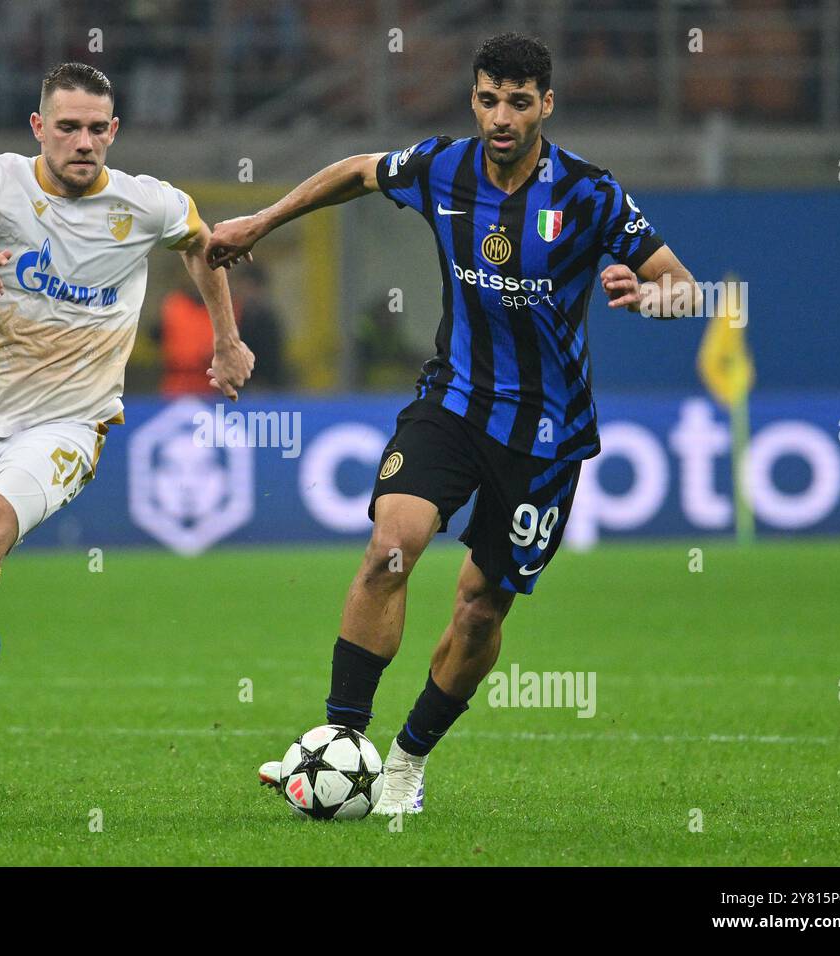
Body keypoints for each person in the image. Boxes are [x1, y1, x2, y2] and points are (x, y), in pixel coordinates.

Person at [208, 33, 701, 815]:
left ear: (545, 104)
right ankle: (343, 743)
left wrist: (647, 296)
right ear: (473, 99)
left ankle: (406, 760)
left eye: (516, 101)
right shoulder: (444, 167)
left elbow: (690, 291)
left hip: (545, 436)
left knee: (478, 611)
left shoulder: (590, 195)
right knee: (389, 550)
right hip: (453, 401)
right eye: (486, 99)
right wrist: (262, 222)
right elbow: (357, 171)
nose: (499, 117)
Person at [0, 62, 254, 776]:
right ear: (39, 128)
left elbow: (202, 244)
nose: (83, 141)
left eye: (97, 128)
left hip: (71, 423)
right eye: (67, 126)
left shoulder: (146, 204)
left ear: (115, 132)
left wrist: (225, 338)